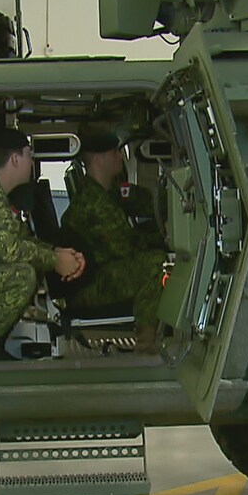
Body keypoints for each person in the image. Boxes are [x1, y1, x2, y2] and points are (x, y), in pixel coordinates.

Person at [0, 127, 85, 358]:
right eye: (29, 156)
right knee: (22, 275)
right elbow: (8, 251)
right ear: (16, 159)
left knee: (32, 264)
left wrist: (59, 253)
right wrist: (55, 261)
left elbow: (21, 239)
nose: (32, 163)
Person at [61, 128, 168, 354]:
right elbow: (124, 247)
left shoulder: (102, 194)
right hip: (92, 285)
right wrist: (162, 239)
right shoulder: (95, 202)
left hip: (98, 275)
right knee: (157, 263)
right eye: (115, 152)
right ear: (99, 159)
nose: (120, 157)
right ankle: (146, 343)